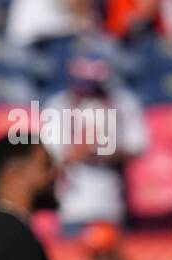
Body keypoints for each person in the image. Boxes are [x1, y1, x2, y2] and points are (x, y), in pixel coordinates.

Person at [43, 50, 148, 232]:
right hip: (72, 208)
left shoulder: (123, 102)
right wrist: (78, 150)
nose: (89, 91)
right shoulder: (57, 105)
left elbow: (137, 146)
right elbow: (50, 157)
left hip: (111, 206)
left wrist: (106, 150)